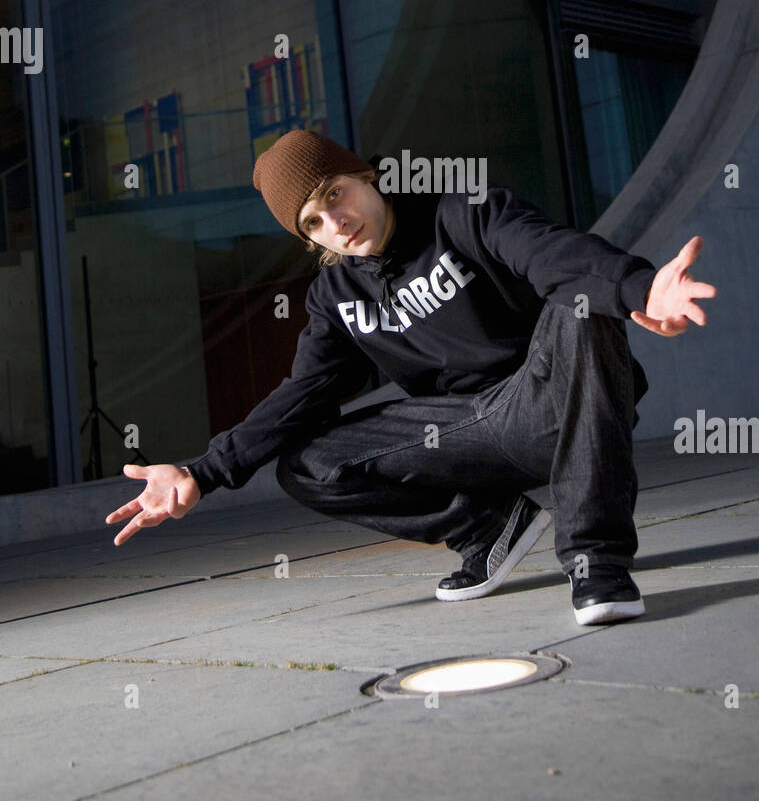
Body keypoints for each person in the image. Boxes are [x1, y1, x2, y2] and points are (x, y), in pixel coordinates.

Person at [106, 130, 717, 626]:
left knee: (579, 304)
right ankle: (491, 528)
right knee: (306, 463)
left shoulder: (463, 211)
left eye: (335, 195)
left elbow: (551, 255)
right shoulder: (335, 295)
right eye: (313, 223)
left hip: (547, 396)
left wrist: (637, 287)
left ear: (366, 176)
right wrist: (200, 472)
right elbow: (303, 395)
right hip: (463, 432)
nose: (336, 224)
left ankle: (595, 558)